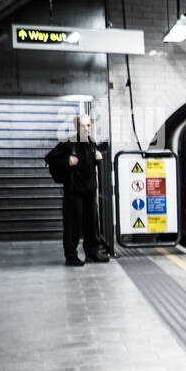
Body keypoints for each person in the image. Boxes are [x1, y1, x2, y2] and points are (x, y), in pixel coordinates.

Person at [49, 114, 109, 266]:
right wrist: (67, 161)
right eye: (83, 126)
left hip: (89, 192)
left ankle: (93, 253)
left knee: (92, 225)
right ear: (77, 127)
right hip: (73, 192)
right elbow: (50, 159)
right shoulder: (69, 143)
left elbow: (87, 167)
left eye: (88, 125)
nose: (87, 129)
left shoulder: (91, 143)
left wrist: (97, 160)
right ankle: (71, 256)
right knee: (72, 226)